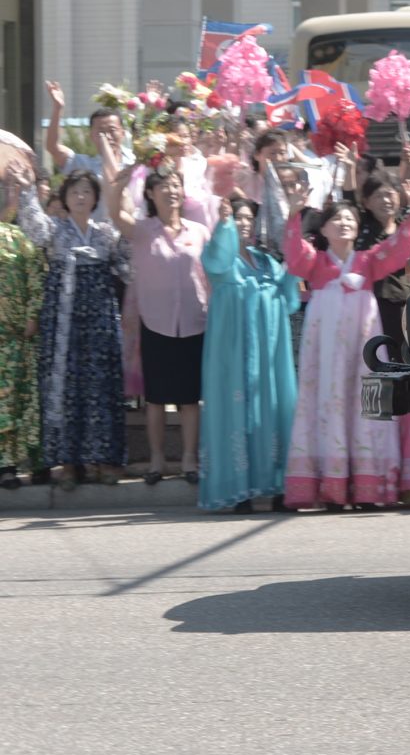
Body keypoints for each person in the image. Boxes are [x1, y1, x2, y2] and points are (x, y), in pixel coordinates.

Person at [282, 187, 410, 508]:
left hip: (363, 349)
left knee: (368, 400)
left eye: (350, 218)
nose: (344, 222)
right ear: (324, 228)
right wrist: (292, 215)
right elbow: (292, 255)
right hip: (326, 353)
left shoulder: (368, 261)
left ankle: (368, 486)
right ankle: (331, 486)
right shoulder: (314, 263)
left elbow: (399, 248)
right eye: (336, 219)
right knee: (327, 401)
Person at [102, 153, 211, 484]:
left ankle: (190, 460)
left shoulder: (200, 231)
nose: (171, 190)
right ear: (150, 193)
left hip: (195, 320)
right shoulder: (142, 230)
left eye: (175, 184)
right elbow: (115, 213)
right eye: (163, 185)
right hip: (156, 321)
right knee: (156, 398)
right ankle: (156, 461)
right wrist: (122, 180)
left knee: (190, 398)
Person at [15, 168, 128, 484]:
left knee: (100, 385)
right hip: (62, 319)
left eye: (87, 191)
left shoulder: (106, 232)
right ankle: (66, 462)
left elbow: (127, 266)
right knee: (64, 386)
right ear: (64, 197)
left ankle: (103, 460)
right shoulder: (54, 229)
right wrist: (26, 190)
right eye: (75, 191)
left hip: (100, 318)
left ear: (95, 198)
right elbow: (33, 230)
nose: (81, 196)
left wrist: (126, 212)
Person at [196, 192, 299, 513]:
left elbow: (291, 293)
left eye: (246, 219)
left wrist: (294, 218)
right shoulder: (221, 260)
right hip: (233, 355)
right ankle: (240, 491)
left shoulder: (266, 261)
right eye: (236, 217)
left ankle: (281, 486)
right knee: (235, 413)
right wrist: (223, 224)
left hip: (270, 357)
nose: (242, 223)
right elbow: (216, 258)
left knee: (275, 410)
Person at [0, 161, 44, 489]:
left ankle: (9, 463)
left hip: (14, 337)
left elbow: (36, 279)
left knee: (13, 399)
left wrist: (32, 316)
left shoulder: (19, 238)